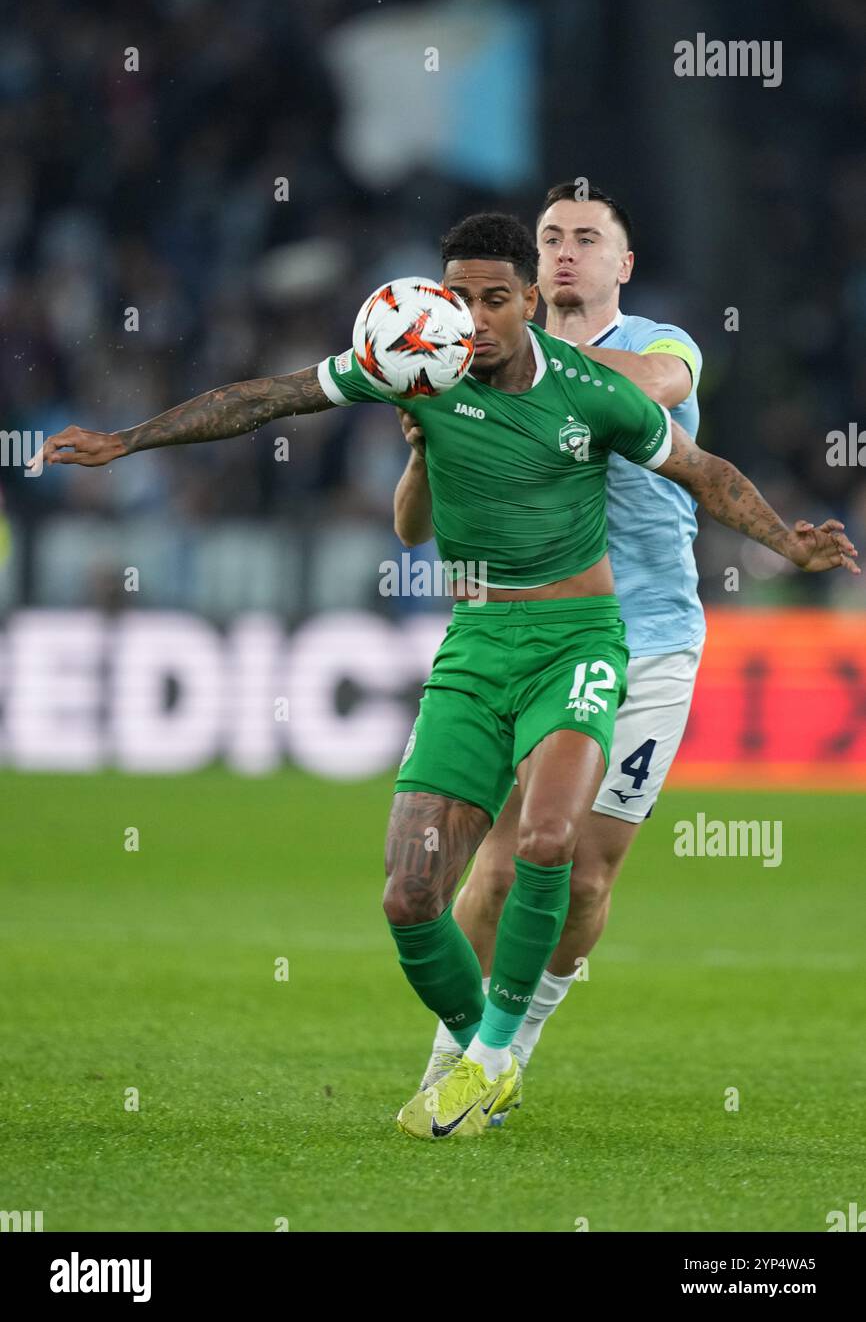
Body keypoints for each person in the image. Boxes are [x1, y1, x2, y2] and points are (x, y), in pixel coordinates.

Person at [30, 213, 858, 1142]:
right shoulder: (418, 363)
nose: (472, 317)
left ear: (536, 300)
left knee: (557, 853)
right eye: (459, 298)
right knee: (412, 893)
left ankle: (496, 1057)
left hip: (597, 639)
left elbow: (702, 466)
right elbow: (266, 399)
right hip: (476, 642)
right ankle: (481, 1059)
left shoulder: (616, 374)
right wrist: (128, 441)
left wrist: (789, 540)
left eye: (494, 300)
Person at [398, 184, 706, 1123]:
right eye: (550, 240)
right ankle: (461, 1061)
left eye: (587, 239)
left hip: (650, 648)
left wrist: (529, 365)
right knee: (491, 869)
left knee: (583, 876)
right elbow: (421, 521)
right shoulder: (476, 370)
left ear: (624, 264)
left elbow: (655, 389)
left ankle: (514, 1044)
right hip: (538, 641)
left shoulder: (667, 346)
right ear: (531, 276)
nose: (566, 252)